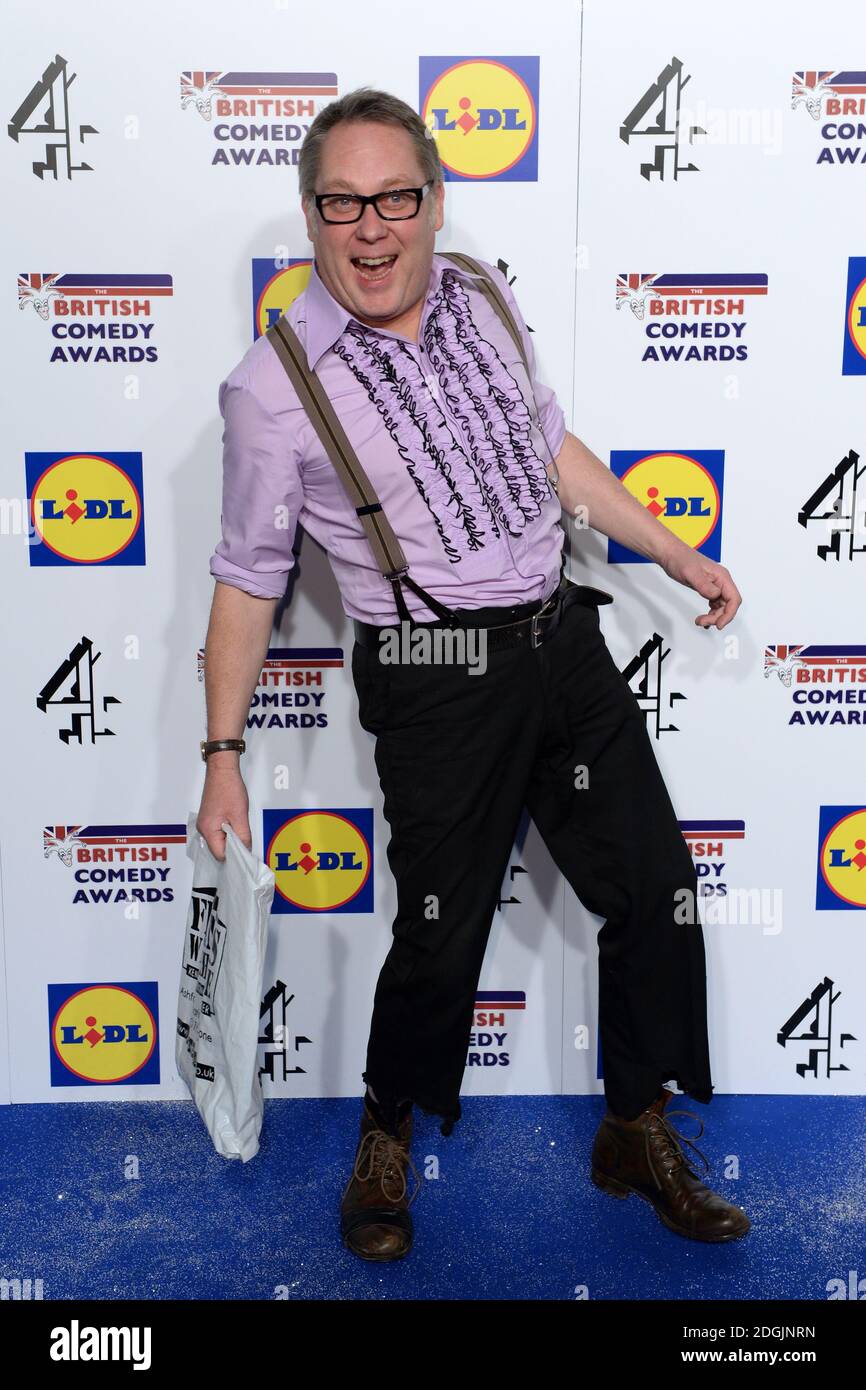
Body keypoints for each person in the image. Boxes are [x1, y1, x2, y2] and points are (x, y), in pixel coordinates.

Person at [197, 87, 749, 1263]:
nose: (371, 228)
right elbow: (247, 578)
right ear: (311, 216)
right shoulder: (269, 387)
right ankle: (386, 1137)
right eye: (342, 203)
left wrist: (668, 547)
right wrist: (220, 757)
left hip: (564, 643)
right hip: (435, 679)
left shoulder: (484, 296)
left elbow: (549, 448)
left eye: (394, 197)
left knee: (655, 887)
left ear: (433, 202)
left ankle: (633, 1126)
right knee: (440, 937)